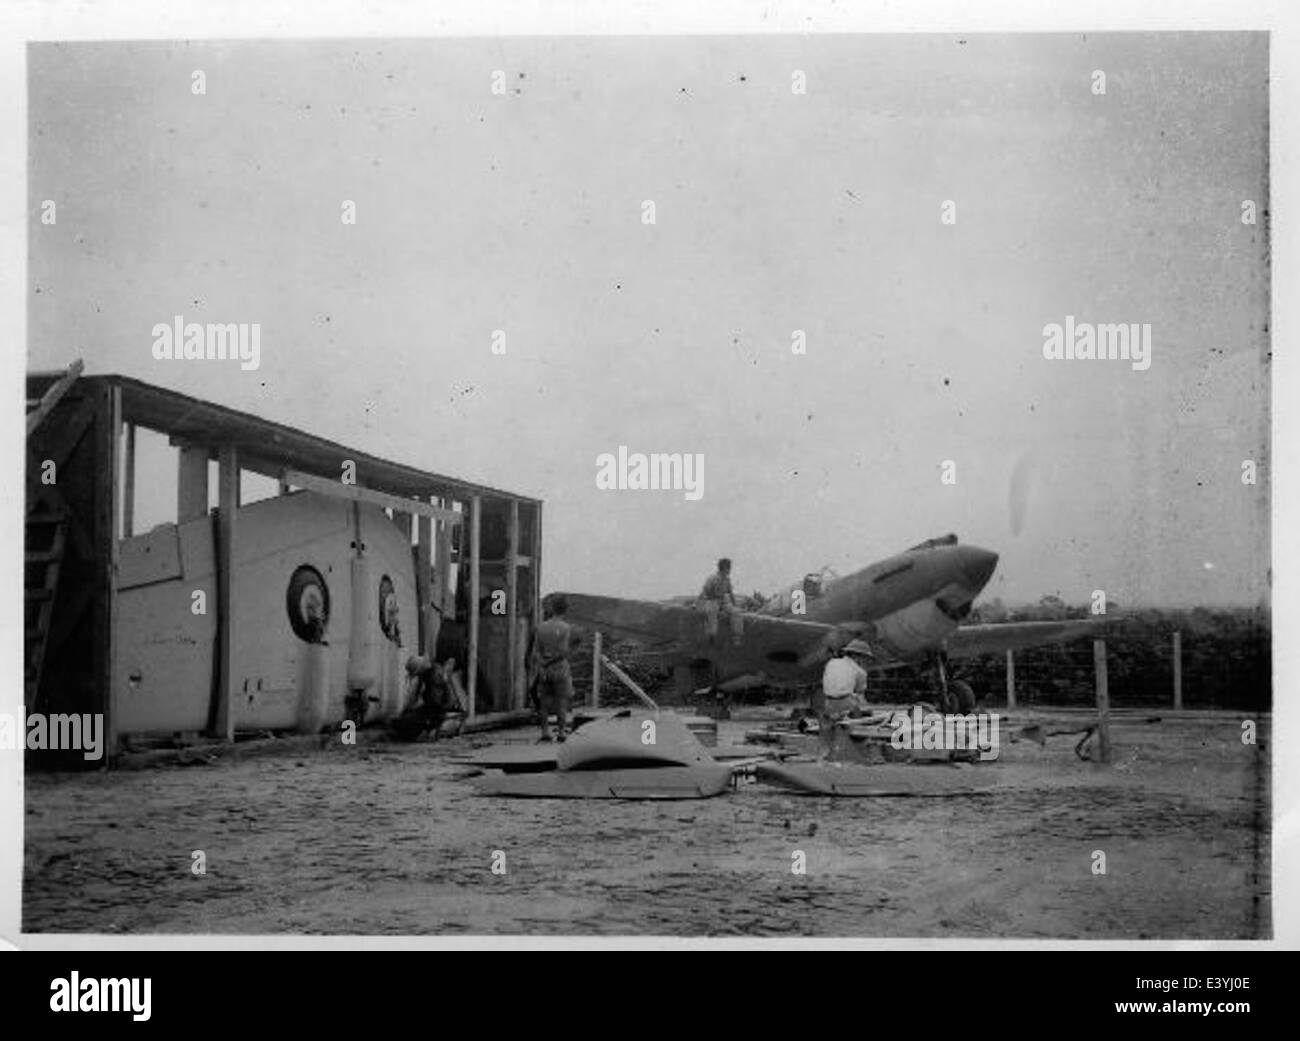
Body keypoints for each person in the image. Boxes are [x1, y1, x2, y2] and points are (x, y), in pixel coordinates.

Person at [531, 595, 578, 742]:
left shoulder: (541, 627)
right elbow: (563, 652)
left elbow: (535, 652)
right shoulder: (565, 628)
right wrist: (551, 661)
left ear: (551, 609)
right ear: (565, 609)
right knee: (561, 702)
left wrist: (543, 664)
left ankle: (545, 732)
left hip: (544, 670)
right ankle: (562, 732)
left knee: (543, 702)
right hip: (559, 669)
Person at [819, 647, 868, 760]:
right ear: (858, 656)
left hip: (828, 703)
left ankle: (827, 752)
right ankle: (860, 749)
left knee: (828, 724)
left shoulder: (831, 663)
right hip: (846, 702)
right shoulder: (860, 671)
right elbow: (860, 691)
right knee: (861, 709)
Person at [699, 557, 744, 646]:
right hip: (711, 600)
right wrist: (697, 603)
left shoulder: (727, 580)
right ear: (724, 569)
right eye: (728, 568)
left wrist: (735, 606)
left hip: (723, 601)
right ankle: (712, 635)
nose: (729, 571)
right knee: (712, 612)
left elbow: (730, 593)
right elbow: (704, 592)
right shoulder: (712, 579)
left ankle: (736, 637)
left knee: (736, 613)